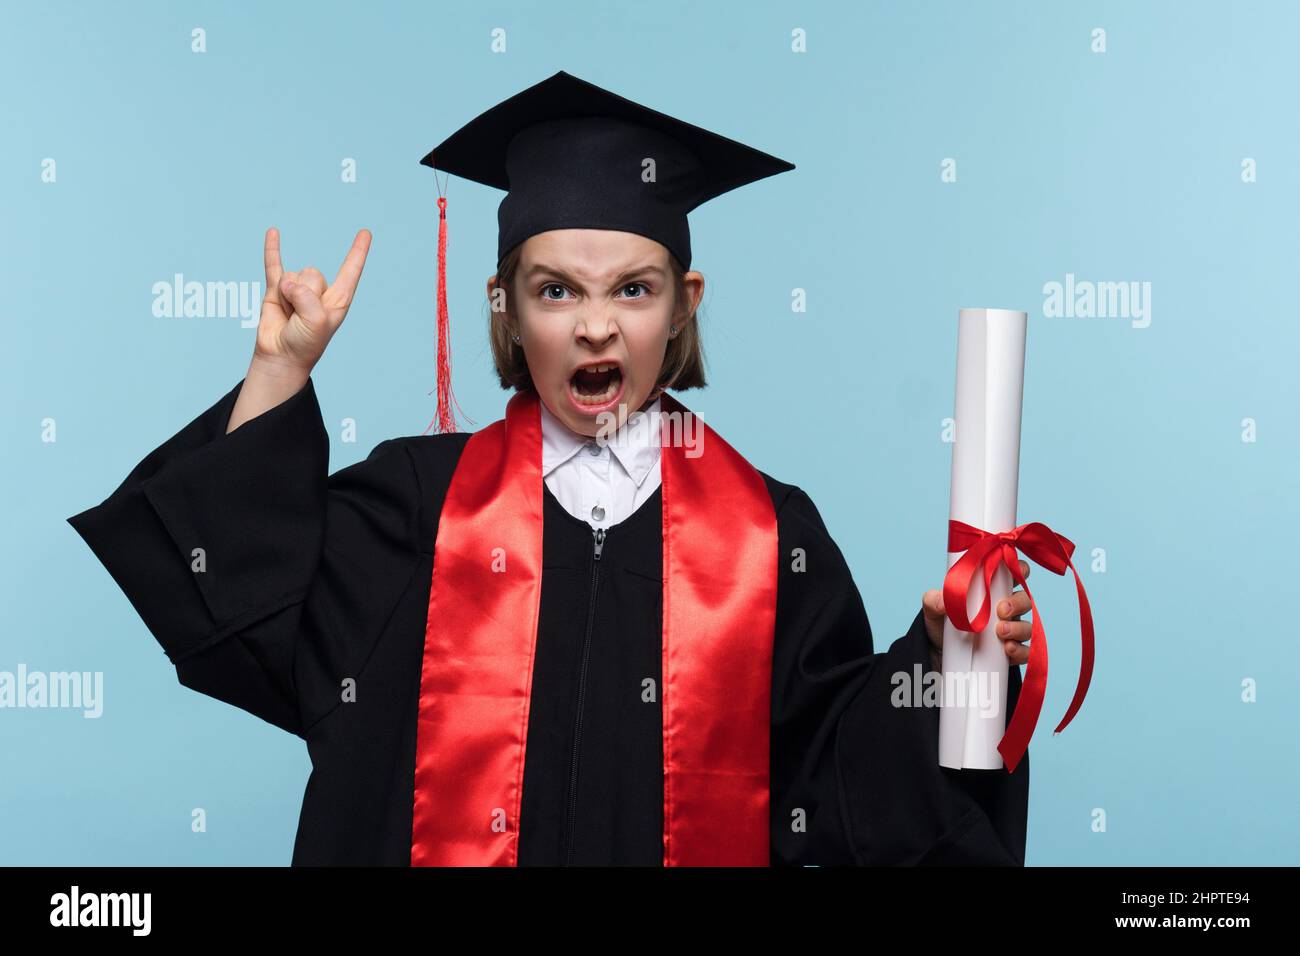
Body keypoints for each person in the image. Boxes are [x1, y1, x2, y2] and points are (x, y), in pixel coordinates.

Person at [66, 71, 1034, 866]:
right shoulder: (415, 505)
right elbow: (251, 617)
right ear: (506, 305)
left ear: (683, 303)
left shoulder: (771, 534)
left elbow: (832, 775)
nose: (595, 323)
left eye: (635, 288)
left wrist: (946, 659)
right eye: (555, 289)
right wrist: (279, 370)